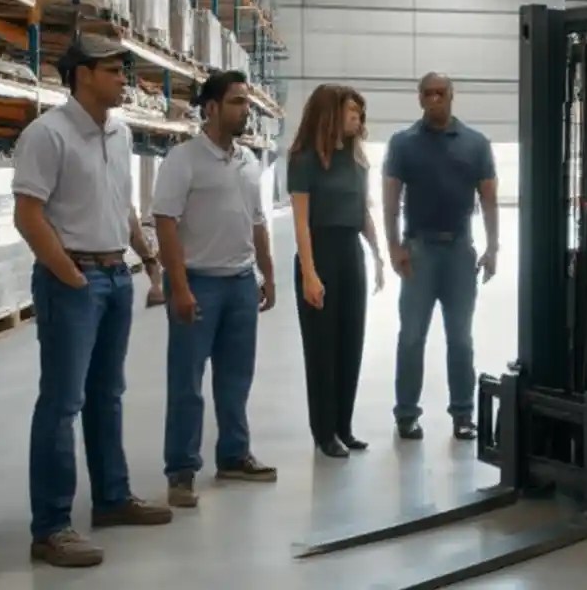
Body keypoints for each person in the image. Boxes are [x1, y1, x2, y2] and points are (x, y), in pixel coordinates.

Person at [12, 34, 173, 568]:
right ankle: (52, 526)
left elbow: (122, 204)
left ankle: (110, 498)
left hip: (115, 276)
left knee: (108, 395)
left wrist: (146, 259)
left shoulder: (120, 133)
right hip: (74, 280)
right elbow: (28, 216)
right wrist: (70, 276)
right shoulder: (47, 134)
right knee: (62, 403)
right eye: (114, 70)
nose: (124, 79)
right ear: (83, 74)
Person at [151, 70, 279, 508]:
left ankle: (234, 455)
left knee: (236, 378)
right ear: (211, 108)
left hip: (241, 282)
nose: (246, 110)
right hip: (198, 282)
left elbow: (258, 221)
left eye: (247, 102)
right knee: (187, 381)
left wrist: (268, 274)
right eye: (238, 102)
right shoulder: (183, 160)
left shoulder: (248, 161)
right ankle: (182, 471)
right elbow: (165, 222)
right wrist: (179, 287)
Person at [383, 72, 498, 441]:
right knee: (412, 336)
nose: (435, 99)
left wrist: (493, 246)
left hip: (460, 253)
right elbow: (389, 201)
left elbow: (489, 198)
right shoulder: (402, 144)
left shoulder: (476, 144)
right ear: (419, 98)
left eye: (441, 93)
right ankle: (406, 414)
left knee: (460, 339)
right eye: (428, 93)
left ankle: (463, 414)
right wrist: (394, 247)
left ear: (452, 96)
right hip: (418, 251)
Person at [288, 84, 385, 458]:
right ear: (329, 114)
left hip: (350, 254)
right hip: (319, 253)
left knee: (351, 343)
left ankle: (344, 425)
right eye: (351, 112)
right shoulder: (304, 159)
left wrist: (376, 256)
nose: (358, 118)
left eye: (360, 112)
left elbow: (363, 213)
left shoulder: (358, 161)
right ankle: (324, 431)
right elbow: (301, 224)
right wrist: (309, 273)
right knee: (322, 347)